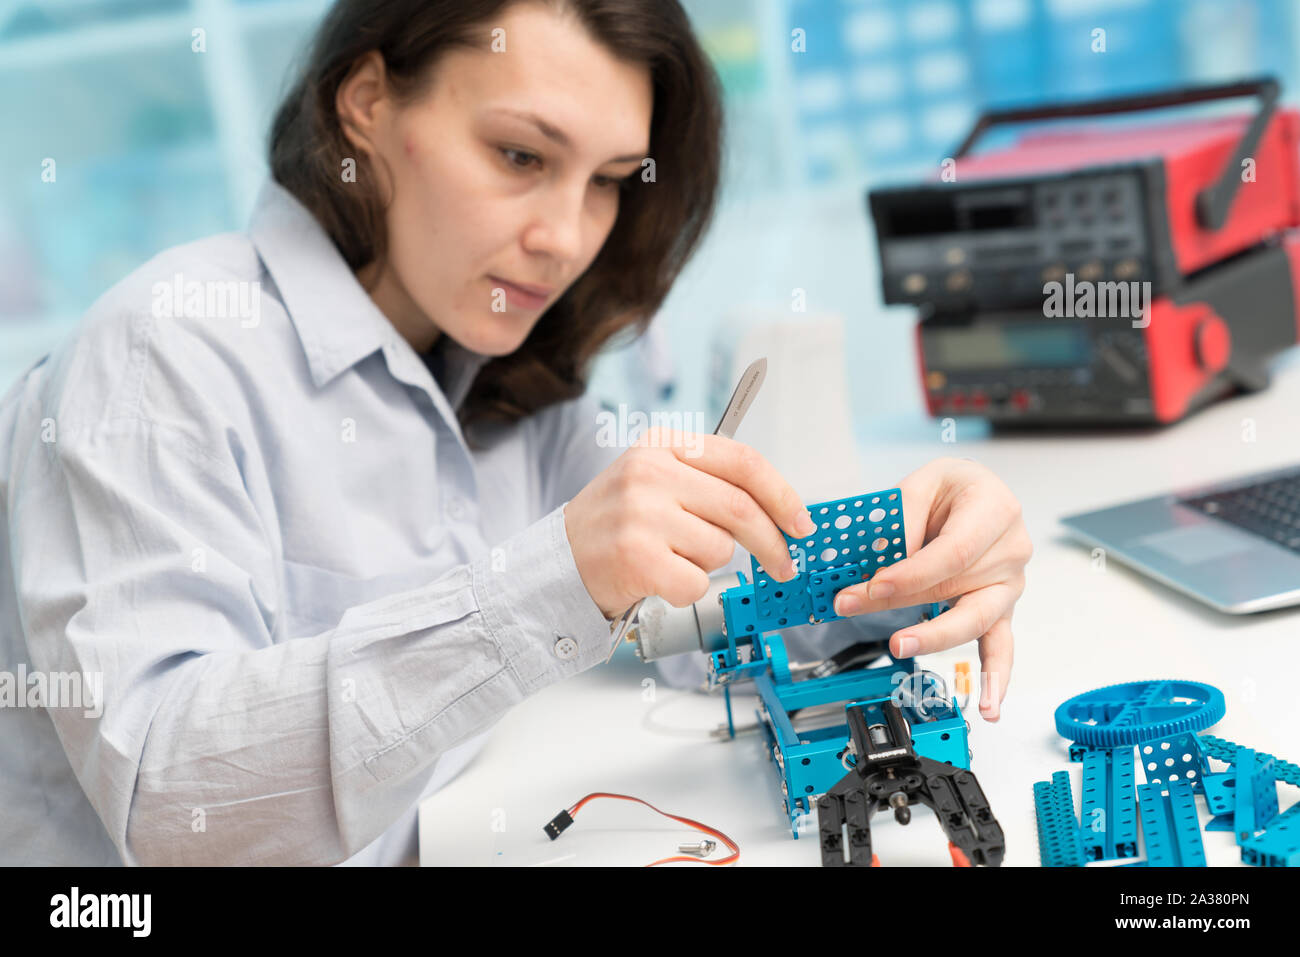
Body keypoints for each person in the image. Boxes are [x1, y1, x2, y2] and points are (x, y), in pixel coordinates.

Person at [0, 0, 1030, 866]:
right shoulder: (164, 347)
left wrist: (913, 554)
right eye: (519, 155)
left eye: (606, 181)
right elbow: (175, 807)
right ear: (364, 103)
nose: (565, 236)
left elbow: (708, 609)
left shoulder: (502, 369)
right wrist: (557, 579)